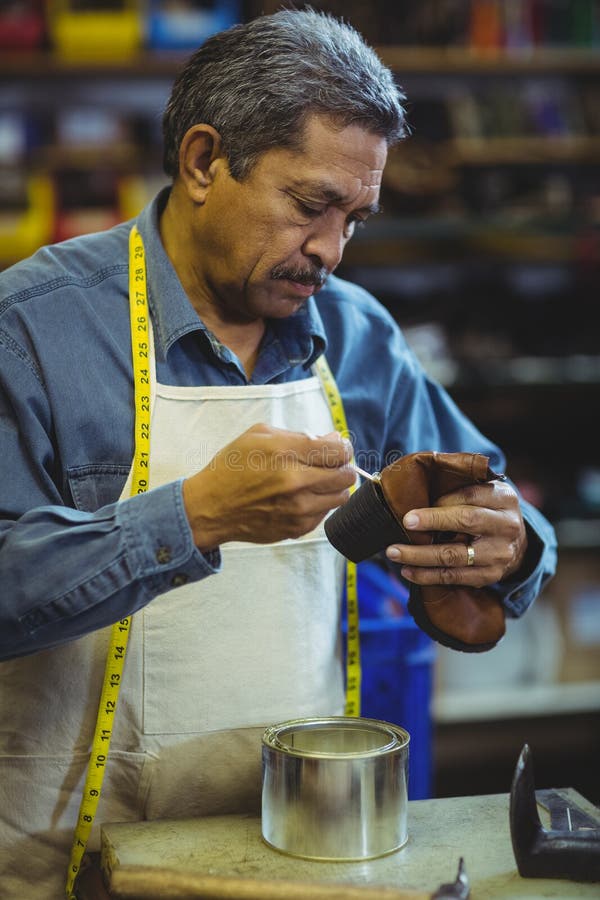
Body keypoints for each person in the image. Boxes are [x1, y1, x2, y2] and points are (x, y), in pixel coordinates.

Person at [0, 9, 556, 898]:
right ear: (203, 162)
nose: (331, 251)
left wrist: (513, 546)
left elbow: (508, 511)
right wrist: (191, 518)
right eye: (310, 206)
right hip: (65, 864)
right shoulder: (32, 330)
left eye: (357, 218)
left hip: (294, 854)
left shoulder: (358, 336)